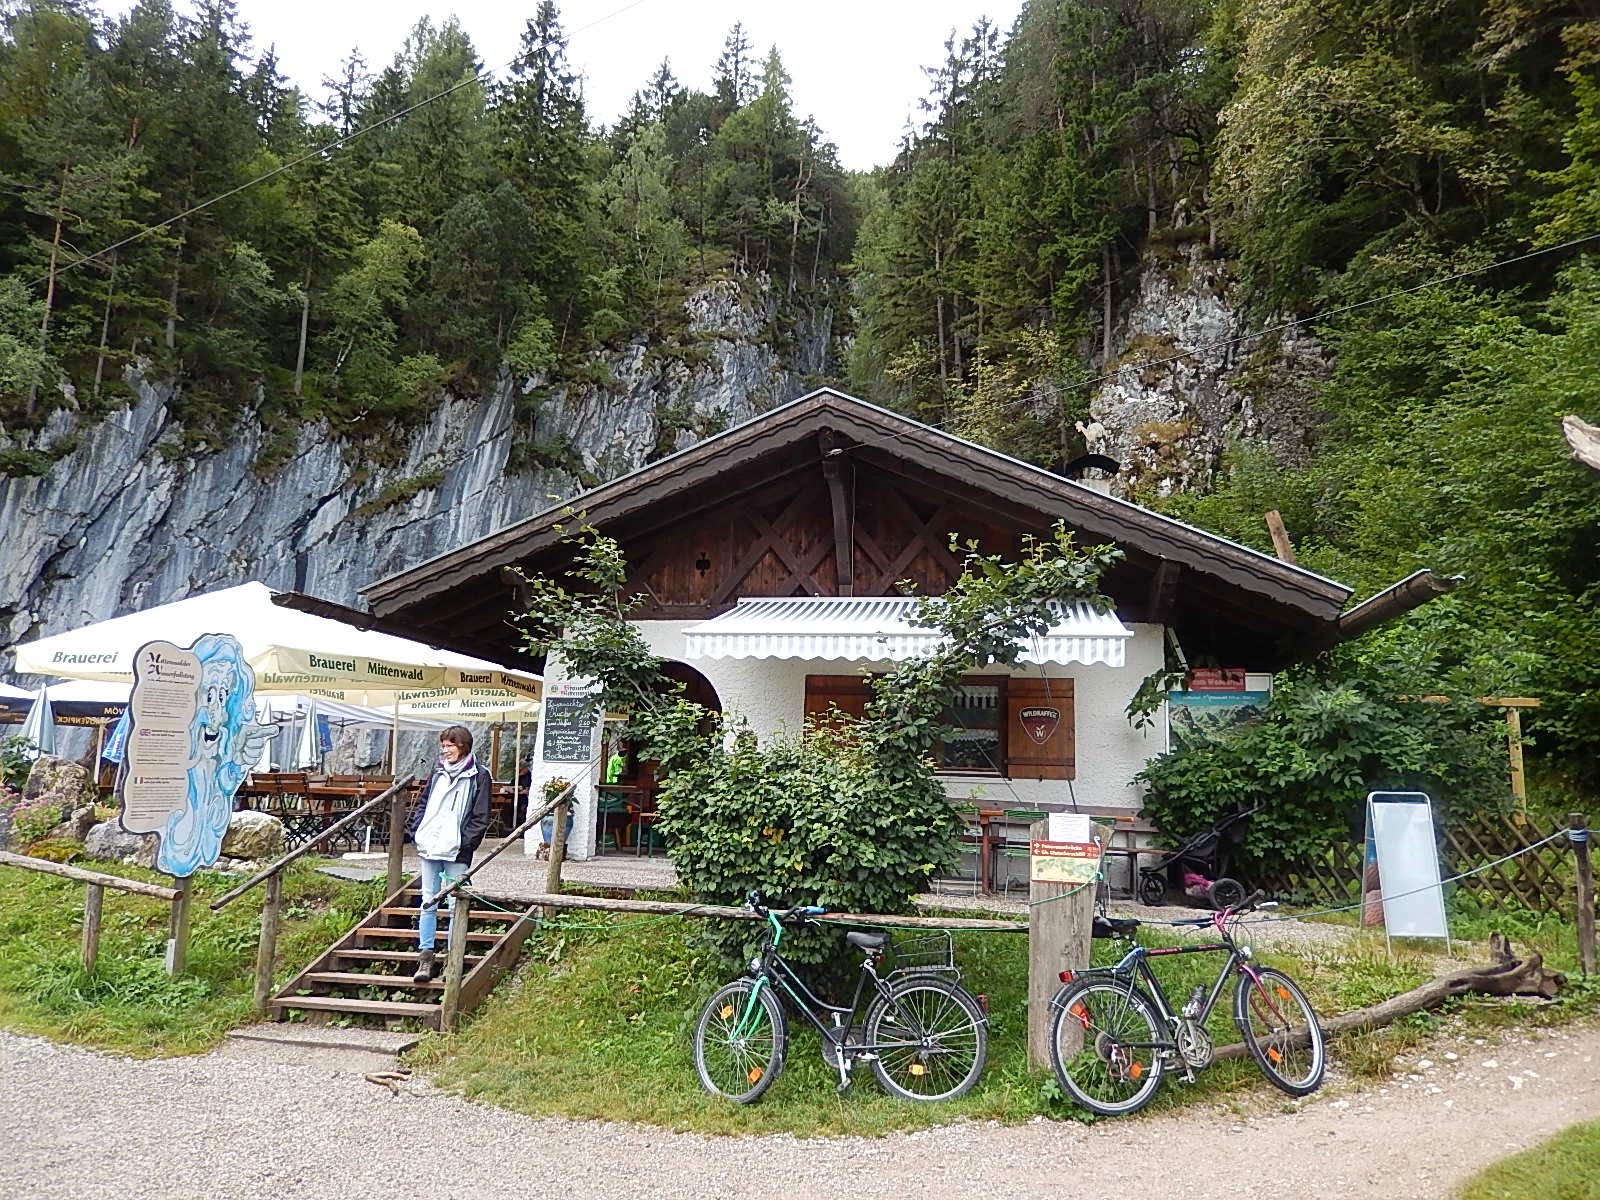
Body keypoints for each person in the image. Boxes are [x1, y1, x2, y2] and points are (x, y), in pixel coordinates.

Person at [406, 725, 491, 984]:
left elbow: (480, 816)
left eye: (450, 746)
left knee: (456, 904)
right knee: (428, 901)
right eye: (443, 746)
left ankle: (452, 958)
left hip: (457, 849)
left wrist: (465, 843)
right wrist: (417, 828)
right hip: (431, 844)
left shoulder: (480, 775)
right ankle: (426, 955)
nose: (446, 750)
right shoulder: (437, 770)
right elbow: (424, 801)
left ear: (463, 746)